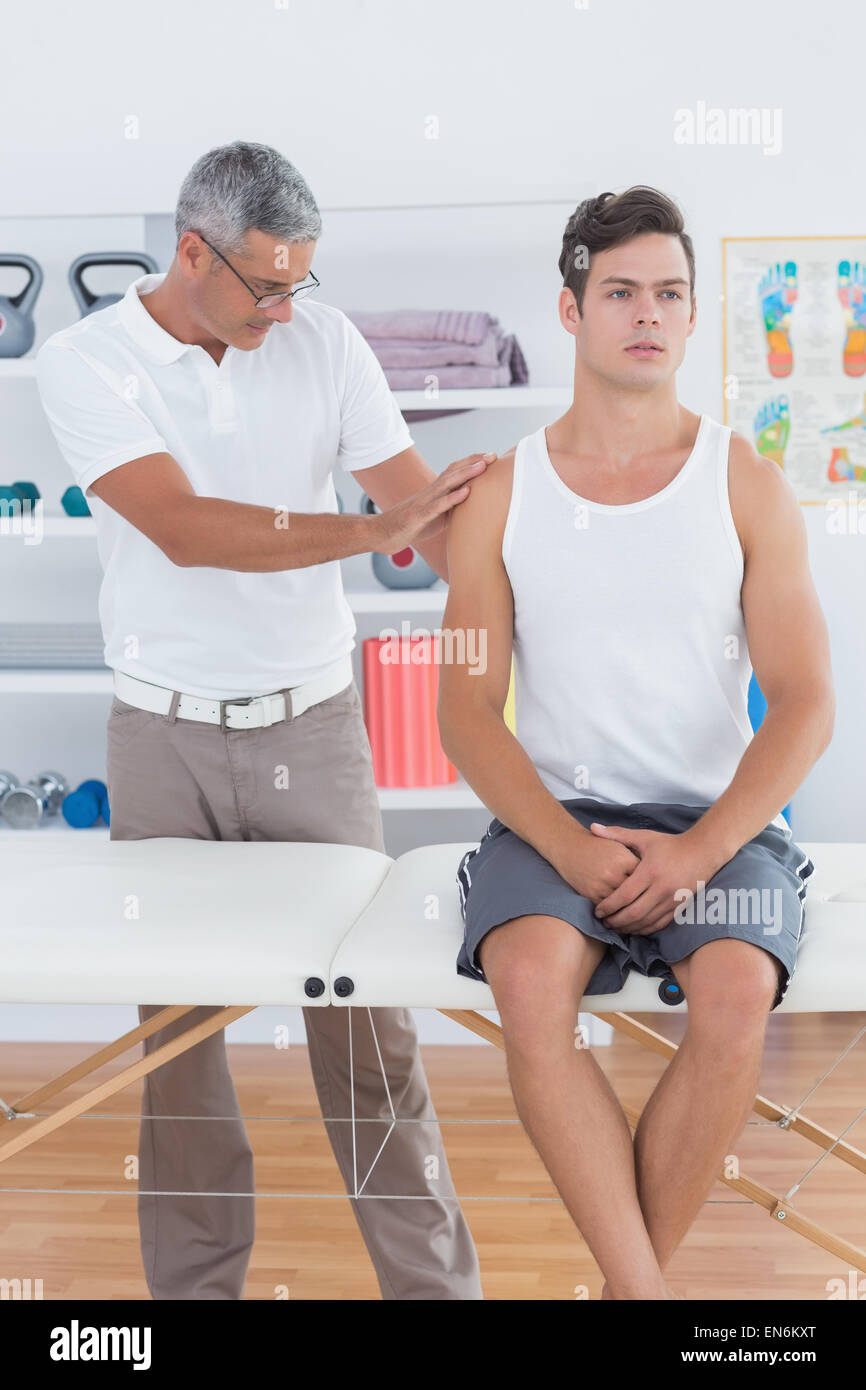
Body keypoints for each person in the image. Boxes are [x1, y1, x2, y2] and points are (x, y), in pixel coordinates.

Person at [35, 140, 492, 1301]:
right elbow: (185, 528)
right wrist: (368, 531)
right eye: (266, 283)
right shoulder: (86, 363)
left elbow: (417, 511)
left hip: (312, 732)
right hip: (161, 741)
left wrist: (506, 540)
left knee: (370, 1041)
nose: (289, 307)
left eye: (302, 280)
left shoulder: (324, 343)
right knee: (179, 1049)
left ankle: (436, 1293)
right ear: (194, 253)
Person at [438, 185, 835, 1301]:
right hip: (554, 820)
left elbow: (803, 701)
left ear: (692, 312)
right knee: (525, 983)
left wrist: (701, 851)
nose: (645, 313)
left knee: (732, 996)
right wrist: (565, 848)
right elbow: (464, 706)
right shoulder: (496, 496)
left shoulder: (746, 486)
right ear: (569, 311)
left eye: (667, 293)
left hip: (716, 824)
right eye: (618, 292)